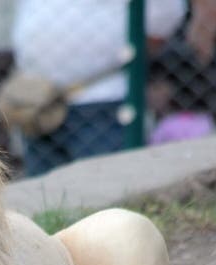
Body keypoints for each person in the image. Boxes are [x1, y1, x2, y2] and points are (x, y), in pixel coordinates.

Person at [12, 0, 186, 176]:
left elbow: (164, 16)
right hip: (39, 101)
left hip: (102, 99)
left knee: (104, 191)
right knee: (43, 195)